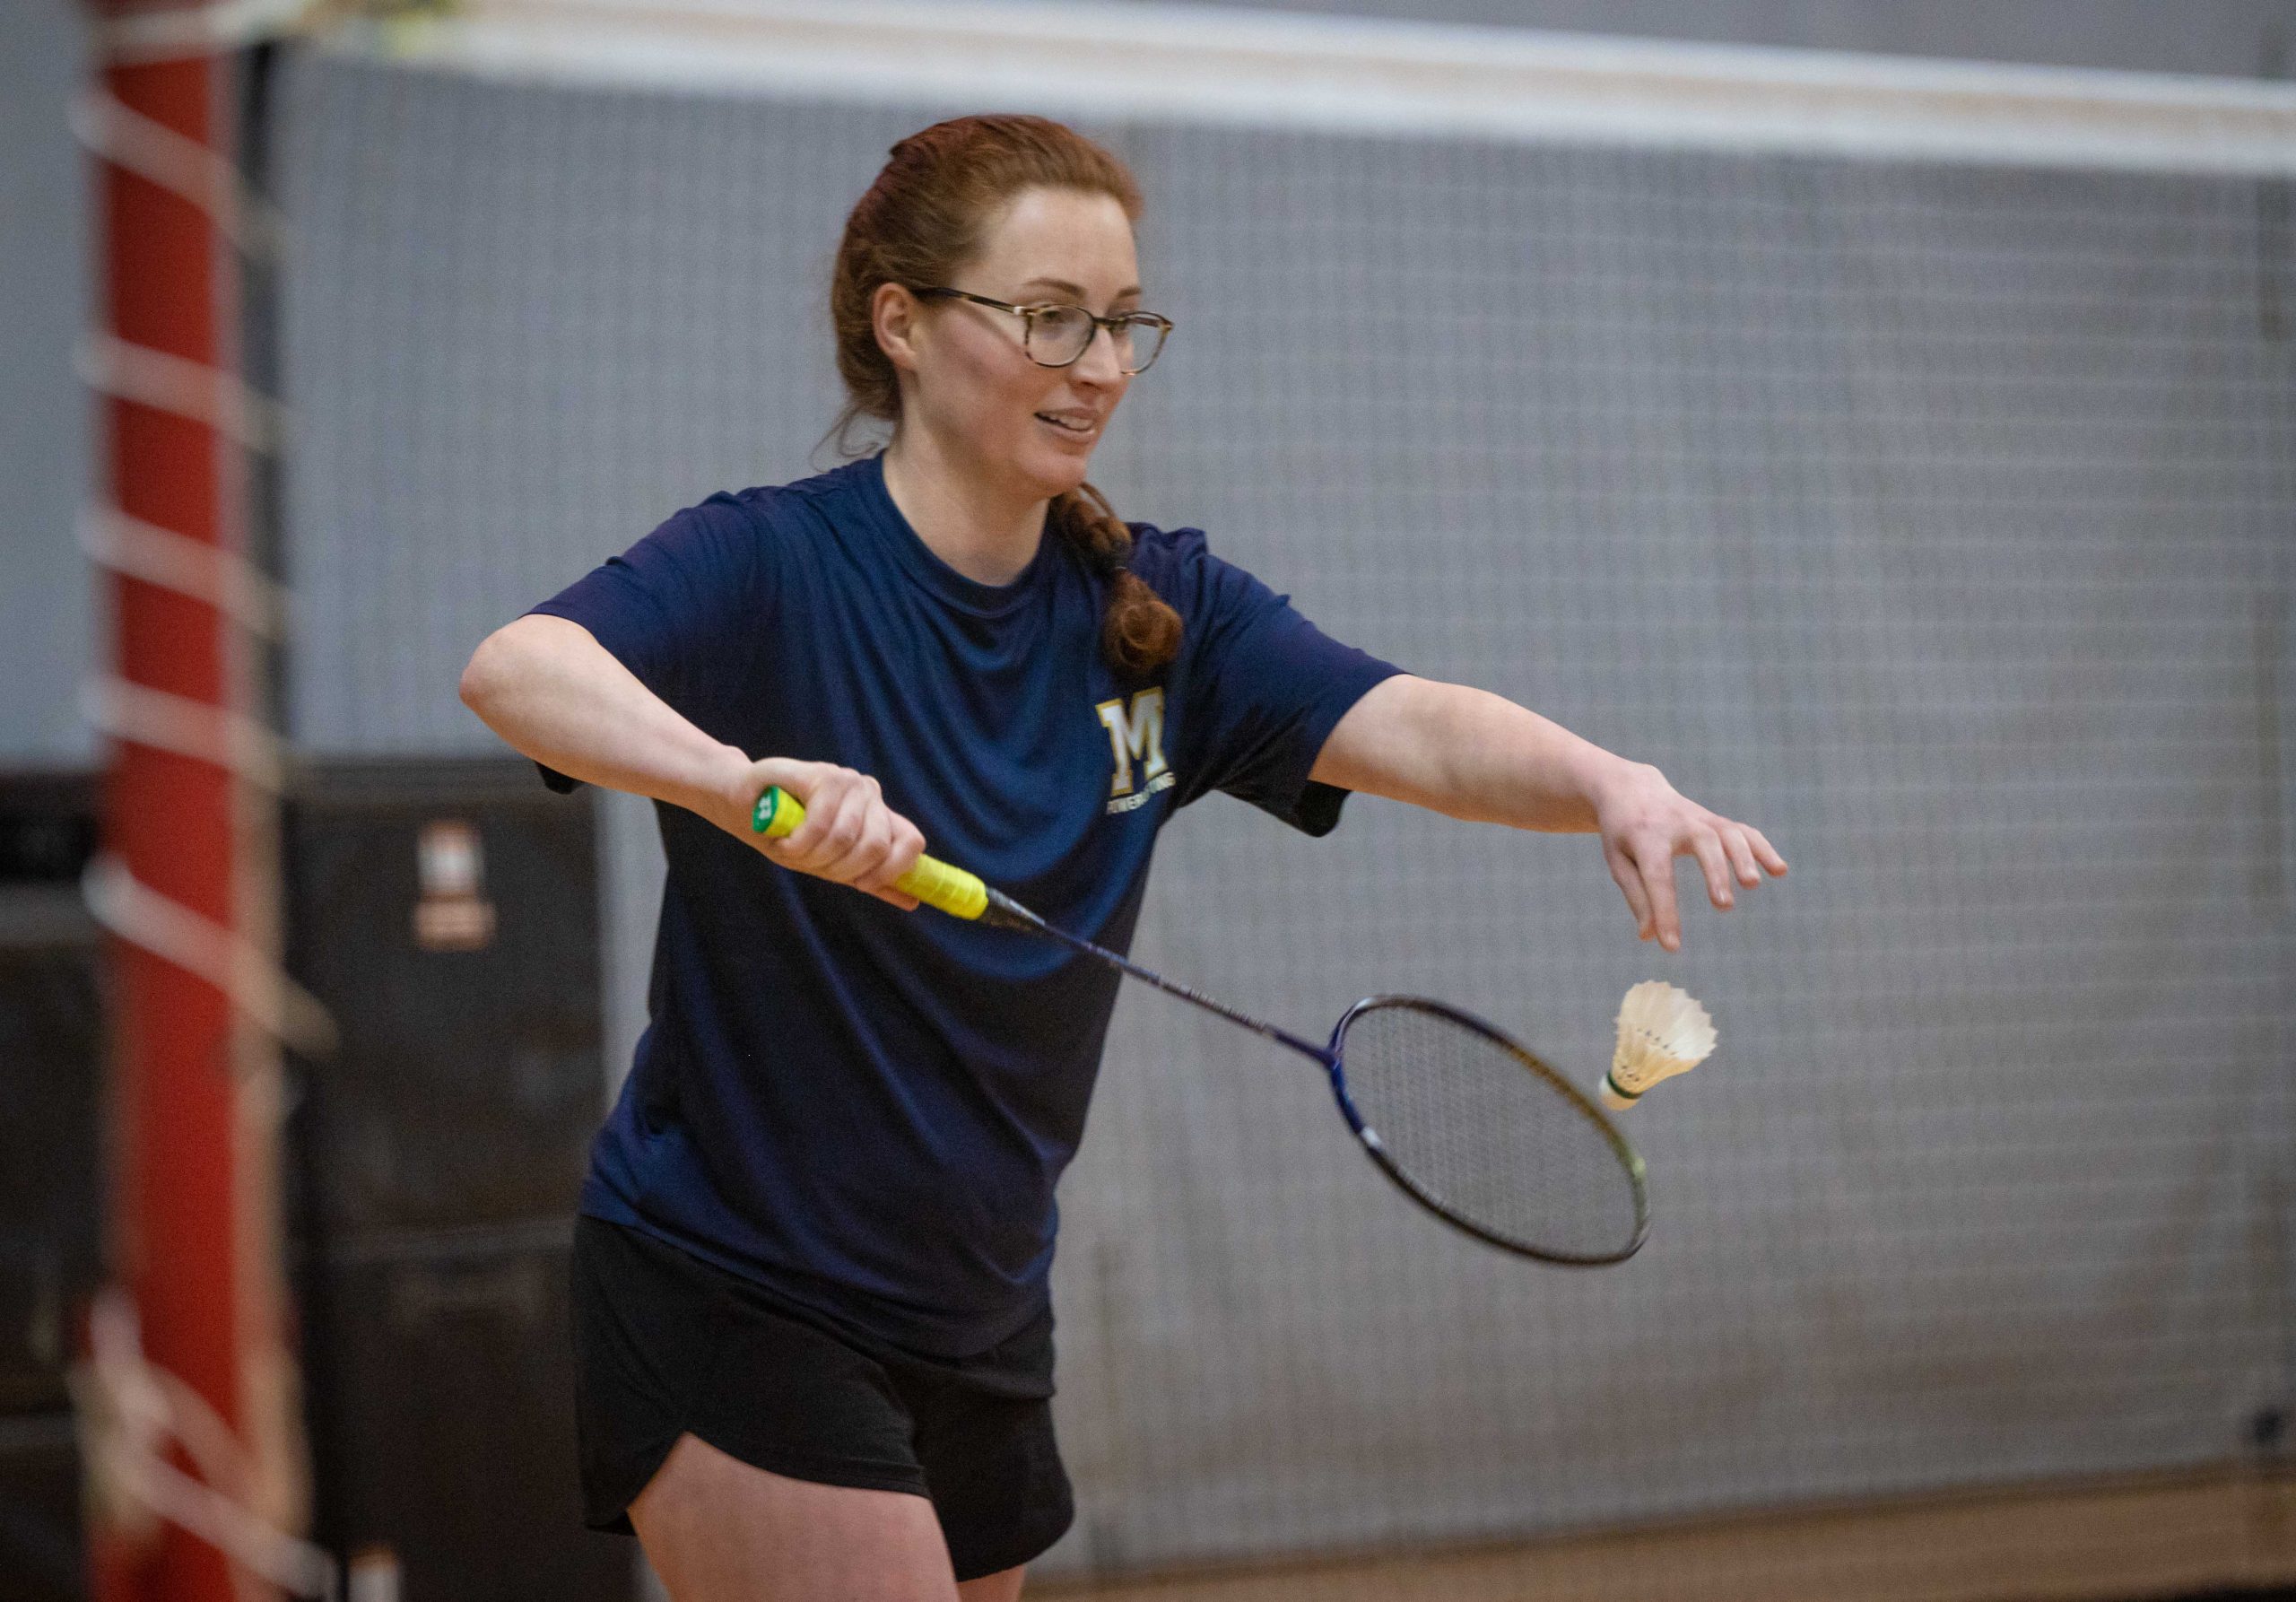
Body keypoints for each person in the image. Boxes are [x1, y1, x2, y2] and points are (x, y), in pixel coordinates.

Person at [458, 113, 1786, 1602]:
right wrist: (732, 779)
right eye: (1048, 317)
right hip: (743, 1284)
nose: (1096, 366)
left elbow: (1409, 721)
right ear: (903, 323)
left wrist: (1609, 780)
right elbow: (518, 666)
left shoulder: (1160, 607)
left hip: (981, 1309)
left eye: (1122, 323)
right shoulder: (770, 566)